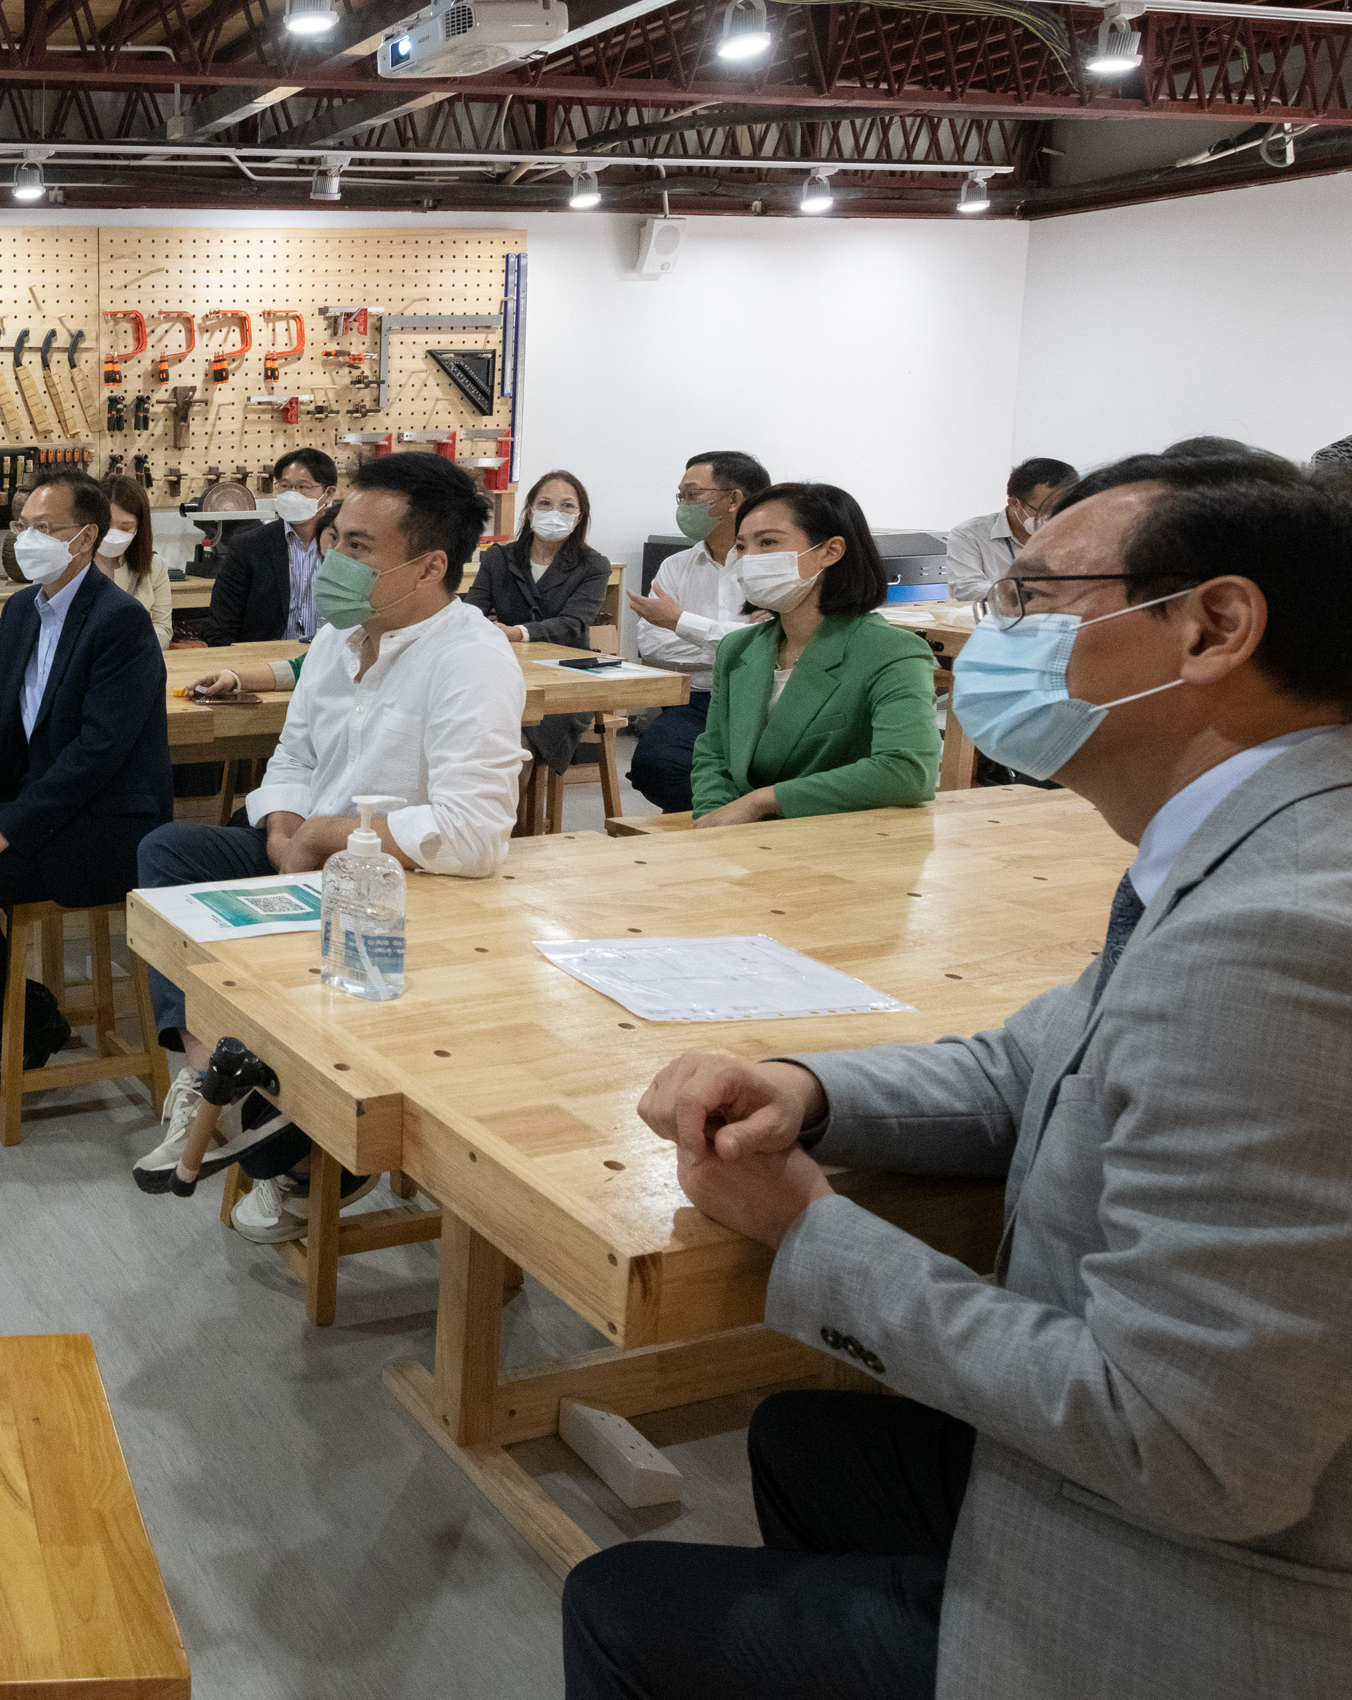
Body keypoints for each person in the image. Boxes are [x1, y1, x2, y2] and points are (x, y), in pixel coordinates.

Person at [566, 451, 1352, 1700]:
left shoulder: (1288, 933)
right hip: (1163, 1492)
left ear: (1212, 626)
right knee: (805, 1437)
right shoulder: (1241, 841)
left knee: (618, 1602)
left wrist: (811, 1229)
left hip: (1208, 1592)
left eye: (1037, 603)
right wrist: (809, 1085)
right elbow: (1029, 1058)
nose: (1001, 639)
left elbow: (1195, 1450)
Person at [130, 452, 526, 1240]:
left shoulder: (470, 658)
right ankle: (215, 1081)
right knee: (169, 854)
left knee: (301, 945)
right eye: (335, 540)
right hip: (310, 858)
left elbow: (475, 832)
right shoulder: (341, 640)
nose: (332, 561)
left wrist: (327, 835)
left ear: (429, 566)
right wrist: (282, 829)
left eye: (357, 548)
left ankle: (297, 1149)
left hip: (402, 884)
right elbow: (293, 759)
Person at [0, 474, 172, 1097]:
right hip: (39, 808)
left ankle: (18, 1028)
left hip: (104, 826)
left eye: (43, 529)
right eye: (23, 526)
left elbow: (95, 757)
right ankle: (20, 1016)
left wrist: (7, 826)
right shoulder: (23, 608)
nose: (26, 540)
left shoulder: (118, 622)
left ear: (86, 538)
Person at [688, 482, 940, 826]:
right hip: (745, 841)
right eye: (742, 547)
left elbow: (907, 771)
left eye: (769, 543)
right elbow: (714, 754)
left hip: (846, 841)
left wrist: (762, 801)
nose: (749, 560)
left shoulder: (892, 651)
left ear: (831, 551)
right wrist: (714, 822)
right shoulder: (739, 649)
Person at [626, 450, 772, 812]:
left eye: (692, 495)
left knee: (766, 768)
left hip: (767, 698)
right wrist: (738, 640)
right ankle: (725, 822)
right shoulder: (676, 566)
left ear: (734, 499)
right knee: (654, 768)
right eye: (681, 497)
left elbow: (778, 643)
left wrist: (681, 623)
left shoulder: (771, 567)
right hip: (697, 699)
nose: (683, 506)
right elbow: (652, 643)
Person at [461, 467, 609, 773]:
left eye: (567, 505)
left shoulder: (593, 565)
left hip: (567, 680)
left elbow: (574, 623)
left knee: (515, 747)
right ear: (529, 512)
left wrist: (517, 632)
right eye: (544, 504)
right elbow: (473, 608)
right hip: (506, 670)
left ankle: (512, 821)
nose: (555, 512)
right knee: (481, 734)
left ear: (579, 518)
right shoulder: (499, 557)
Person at [195, 447, 336, 644]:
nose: (292, 494)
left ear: (328, 494)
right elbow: (221, 627)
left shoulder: (346, 546)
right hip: (267, 660)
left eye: (303, 487)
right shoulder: (249, 545)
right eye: (285, 486)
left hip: (328, 657)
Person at [942, 457, 1078, 602]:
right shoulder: (969, 534)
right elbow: (967, 588)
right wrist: (1027, 593)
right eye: (1046, 510)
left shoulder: (1074, 537)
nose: (1055, 518)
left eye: (1065, 510)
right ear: (1014, 503)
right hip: (982, 620)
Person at [102, 472, 178, 646]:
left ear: (139, 528)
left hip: (136, 662)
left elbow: (163, 629)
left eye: (125, 527)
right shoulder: (71, 565)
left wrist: (133, 645)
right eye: (106, 525)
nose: (113, 534)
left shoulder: (154, 567)